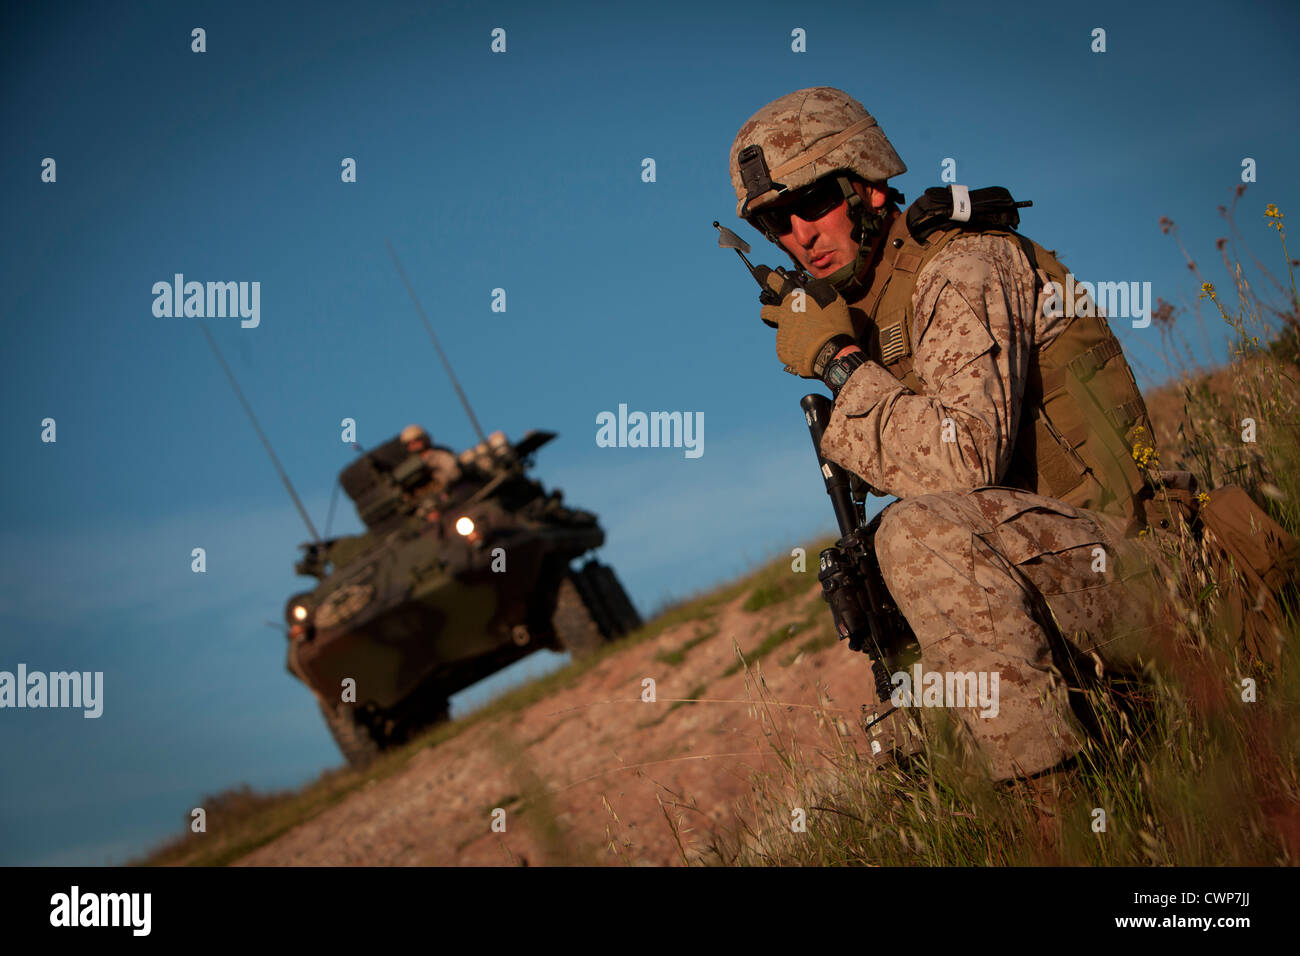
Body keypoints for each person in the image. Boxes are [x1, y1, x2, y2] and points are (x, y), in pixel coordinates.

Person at [728, 87, 1170, 784]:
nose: (799, 235)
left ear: (868, 186)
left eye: (813, 202)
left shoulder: (963, 266)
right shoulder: (870, 305)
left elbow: (963, 464)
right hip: (1045, 574)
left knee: (918, 536)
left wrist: (838, 363)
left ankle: (1055, 814)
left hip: (1139, 569)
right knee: (909, 717)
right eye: (776, 221)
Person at [399, 423, 463, 507]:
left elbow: (454, 473)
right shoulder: (409, 468)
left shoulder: (438, 455)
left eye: (416, 440)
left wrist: (439, 480)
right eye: (409, 443)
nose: (413, 445)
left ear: (424, 439)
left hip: (450, 494)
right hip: (426, 505)